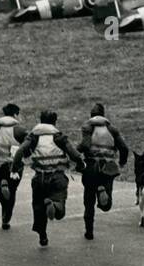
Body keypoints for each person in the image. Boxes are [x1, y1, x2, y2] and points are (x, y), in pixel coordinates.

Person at [10, 110, 85, 248]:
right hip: (57, 177)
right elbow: (74, 154)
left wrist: (14, 169)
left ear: (40, 120)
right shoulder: (58, 137)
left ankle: (42, 236)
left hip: (39, 178)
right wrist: (81, 165)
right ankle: (54, 205)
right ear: (54, 122)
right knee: (60, 208)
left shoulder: (33, 137)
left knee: (38, 209)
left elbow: (20, 151)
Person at [78, 104, 129, 240]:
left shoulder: (88, 127)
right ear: (104, 115)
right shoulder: (111, 129)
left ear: (91, 115)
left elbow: (85, 145)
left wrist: (76, 151)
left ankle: (89, 232)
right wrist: (122, 162)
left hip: (91, 167)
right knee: (107, 206)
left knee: (88, 203)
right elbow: (124, 148)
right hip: (108, 168)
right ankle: (103, 193)